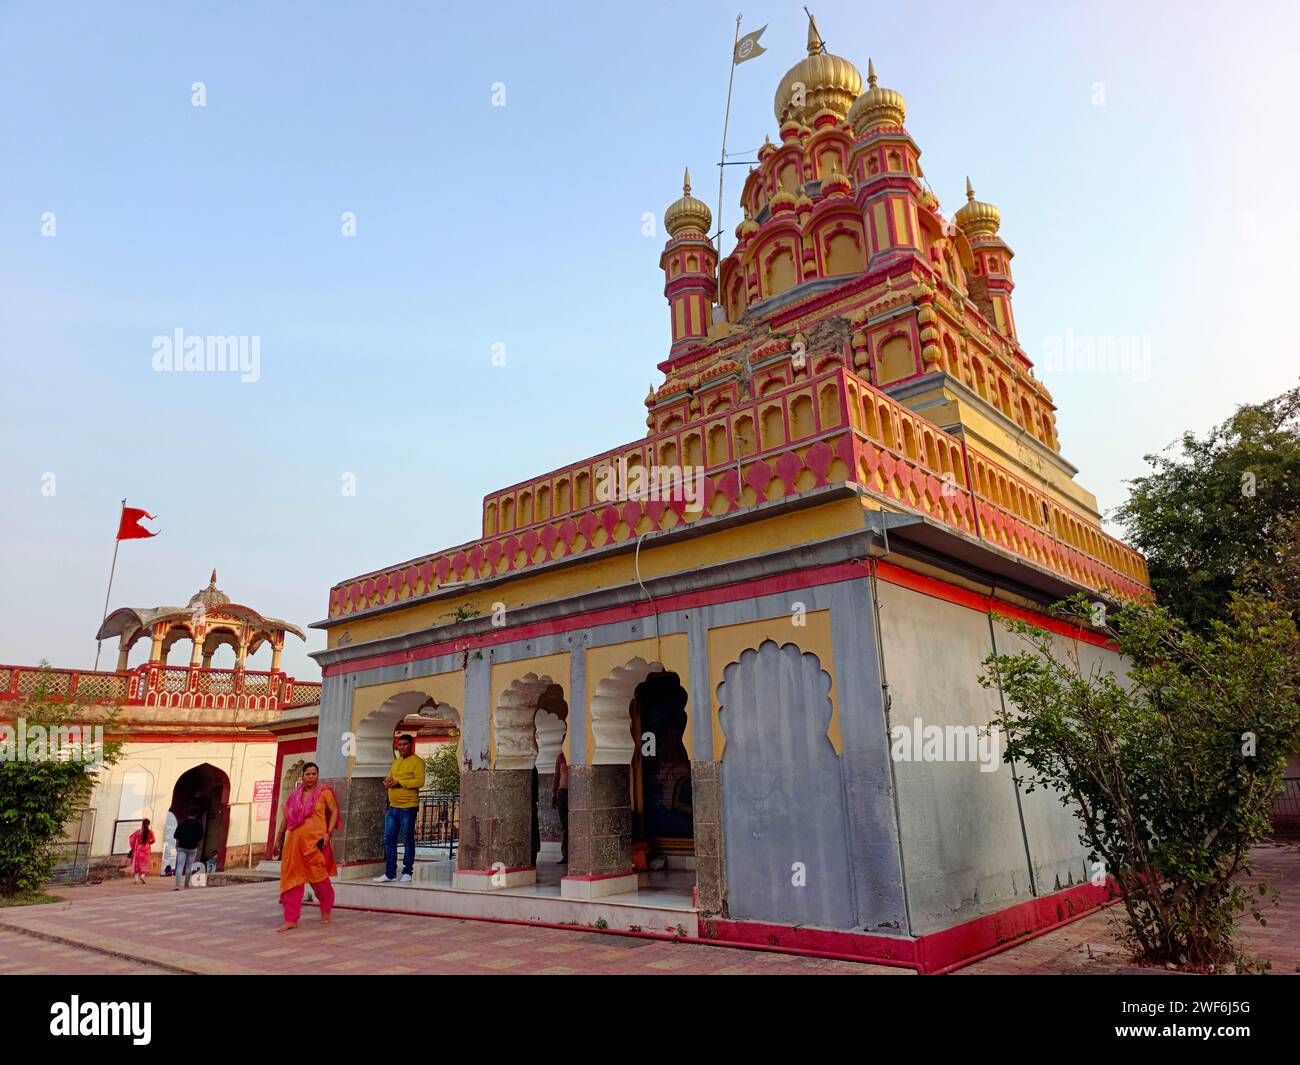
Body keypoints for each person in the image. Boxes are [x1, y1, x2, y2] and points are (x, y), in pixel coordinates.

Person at [272, 762, 340, 932]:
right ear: (302, 776)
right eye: (308, 774)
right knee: (291, 880)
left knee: (319, 879)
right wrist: (278, 839)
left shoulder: (324, 792)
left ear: (318, 775)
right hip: (294, 844)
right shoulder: (295, 795)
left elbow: (334, 812)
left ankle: (326, 908)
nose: (311, 777)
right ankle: (291, 919)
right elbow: (286, 818)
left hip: (315, 843)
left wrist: (328, 833)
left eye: (314, 774)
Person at [373, 734, 424, 883]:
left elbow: (420, 781)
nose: (401, 747)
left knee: (408, 839)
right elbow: (391, 777)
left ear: (410, 745)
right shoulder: (396, 762)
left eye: (404, 744)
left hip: (408, 807)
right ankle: (390, 872)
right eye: (399, 744)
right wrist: (388, 782)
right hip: (393, 807)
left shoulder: (418, 762)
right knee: (389, 839)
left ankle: (408, 871)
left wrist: (400, 783)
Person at [172, 807, 204, 890]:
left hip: (182, 847)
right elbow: (200, 837)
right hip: (193, 848)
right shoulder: (199, 825)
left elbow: (176, 836)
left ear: (188, 814)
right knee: (189, 867)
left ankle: (177, 885)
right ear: (196, 815)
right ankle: (186, 884)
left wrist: (178, 844)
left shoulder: (181, 824)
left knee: (179, 866)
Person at [552, 749, 569, 864]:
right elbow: (557, 776)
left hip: (576, 792)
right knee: (565, 826)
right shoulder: (561, 757)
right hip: (563, 793)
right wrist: (554, 793)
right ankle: (566, 855)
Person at [128, 819, 154, 884]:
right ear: (149, 824)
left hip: (139, 849)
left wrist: (133, 847)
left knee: (137, 864)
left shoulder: (138, 832)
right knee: (145, 864)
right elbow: (153, 840)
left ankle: (136, 879)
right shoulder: (150, 832)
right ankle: (142, 876)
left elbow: (131, 839)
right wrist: (148, 843)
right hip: (146, 849)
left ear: (142, 824)